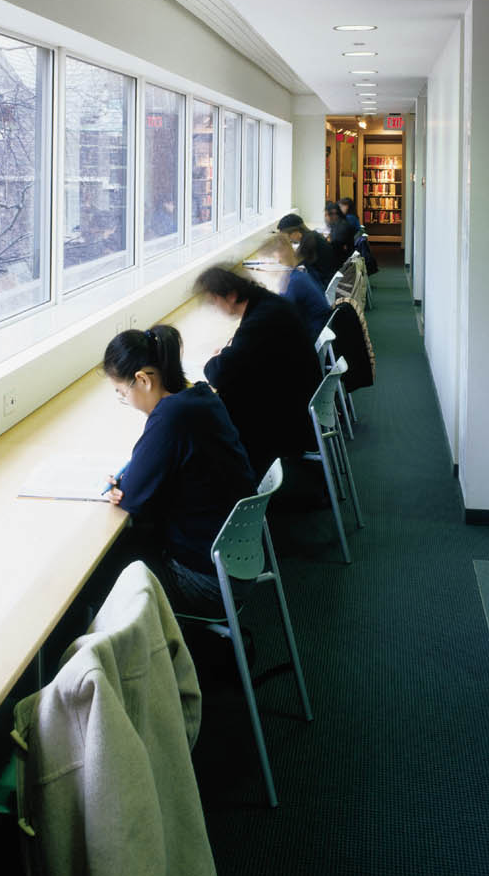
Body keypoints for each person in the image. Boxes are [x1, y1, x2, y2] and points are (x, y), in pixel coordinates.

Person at [101, 324, 257, 615]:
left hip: (208, 582)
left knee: (106, 569)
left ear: (143, 380)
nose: (125, 400)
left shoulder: (170, 419)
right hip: (238, 563)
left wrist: (121, 485)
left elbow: (133, 498)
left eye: (122, 392)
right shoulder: (200, 396)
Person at [194, 266, 323, 483]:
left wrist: (214, 359)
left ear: (231, 296)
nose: (214, 308)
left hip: (289, 419)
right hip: (298, 398)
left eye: (214, 301)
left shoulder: (261, 319)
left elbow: (219, 374)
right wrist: (228, 353)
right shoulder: (267, 304)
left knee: (207, 417)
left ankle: (233, 487)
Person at [274, 232, 333, 341]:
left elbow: (282, 313)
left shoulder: (294, 281)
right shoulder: (302, 273)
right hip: (319, 326)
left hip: (312, 336)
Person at [275, 212, 338, 287]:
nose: (289, 240)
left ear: (296, 232)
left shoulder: (309, 241)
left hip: (323, 283)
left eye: (288, 236)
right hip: (325, 277)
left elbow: (291, 263)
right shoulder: (311, 236)